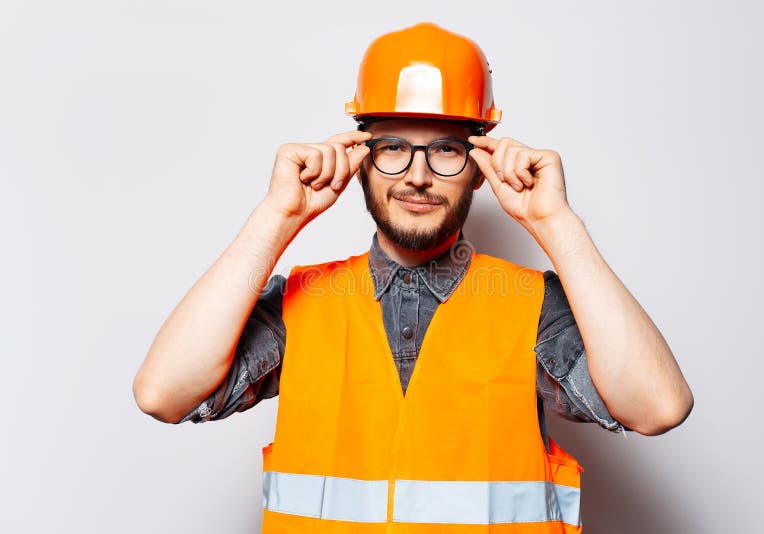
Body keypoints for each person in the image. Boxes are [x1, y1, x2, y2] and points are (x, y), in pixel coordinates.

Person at [133, 22, 693, 533]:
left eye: (446, 149)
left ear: (479, 168)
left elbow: (657, 407)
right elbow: (163, 393)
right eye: (393, 147)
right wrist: (277, 217)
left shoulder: (532, 308)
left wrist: (557, 223)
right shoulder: (302, 305)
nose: (418, 175)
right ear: (358, 160)